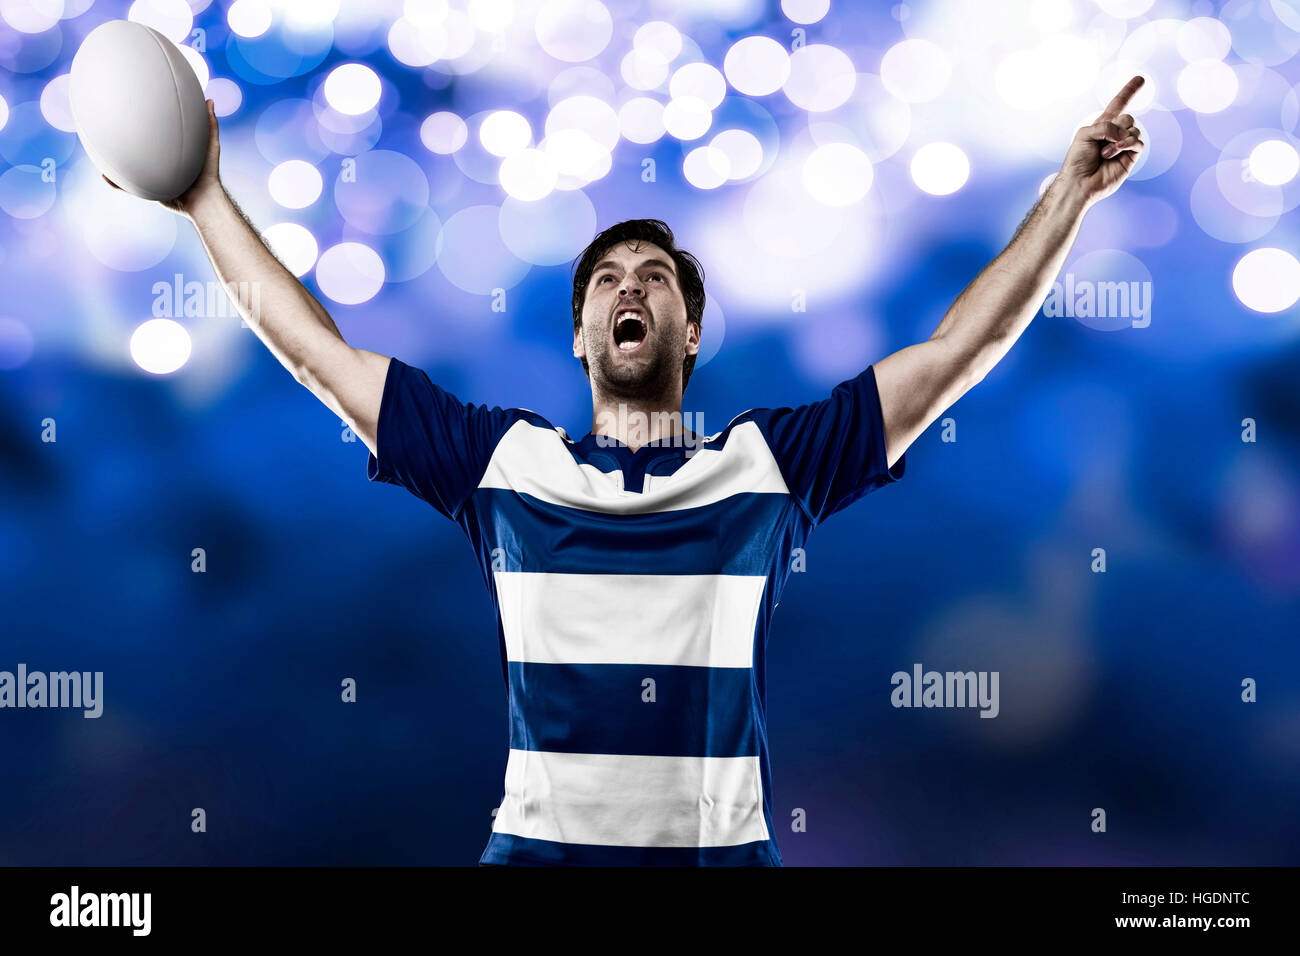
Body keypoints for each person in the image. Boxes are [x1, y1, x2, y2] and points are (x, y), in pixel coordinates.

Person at [107, 76, 1147, 866]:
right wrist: (203, 198)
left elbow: (954, 352)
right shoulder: (499, 464)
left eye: (652, 276)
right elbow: (315, 352)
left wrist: (1069, 195)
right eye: (605, 279)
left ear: (687, 332)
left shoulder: (767, 466)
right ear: (580, 336)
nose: (627, 288)